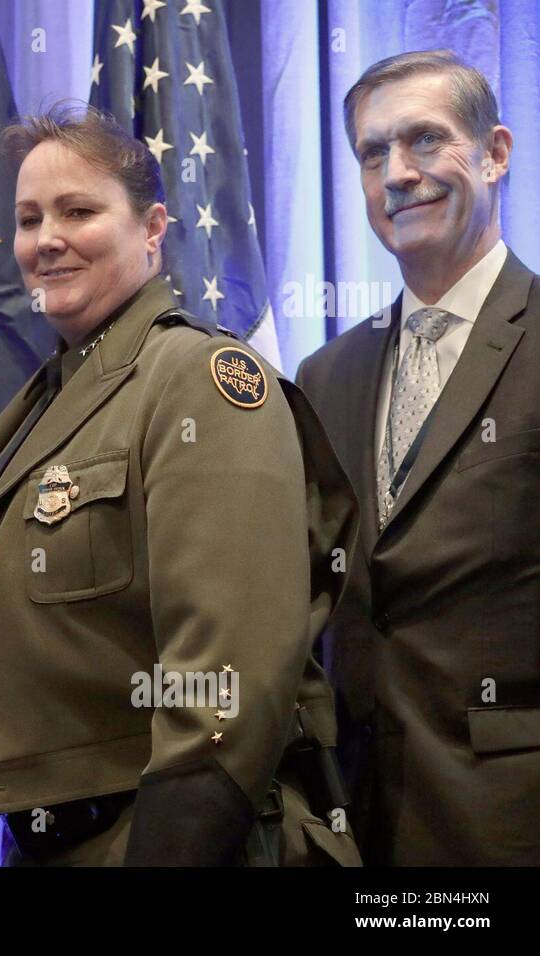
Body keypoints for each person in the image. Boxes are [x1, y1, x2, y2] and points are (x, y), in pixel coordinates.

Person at [0, 106, 360, 866]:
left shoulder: (201, 378)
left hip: (188, 840)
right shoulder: (52, 396)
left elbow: (227, 680)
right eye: (28, 218)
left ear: (152, 228)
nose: (45, 238)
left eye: (78, 210)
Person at [296, 51, 540, 865]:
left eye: (425, 141)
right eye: (373, 153)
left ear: (495, 152)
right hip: (355, 823)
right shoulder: (325, 376)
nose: (398, 173)